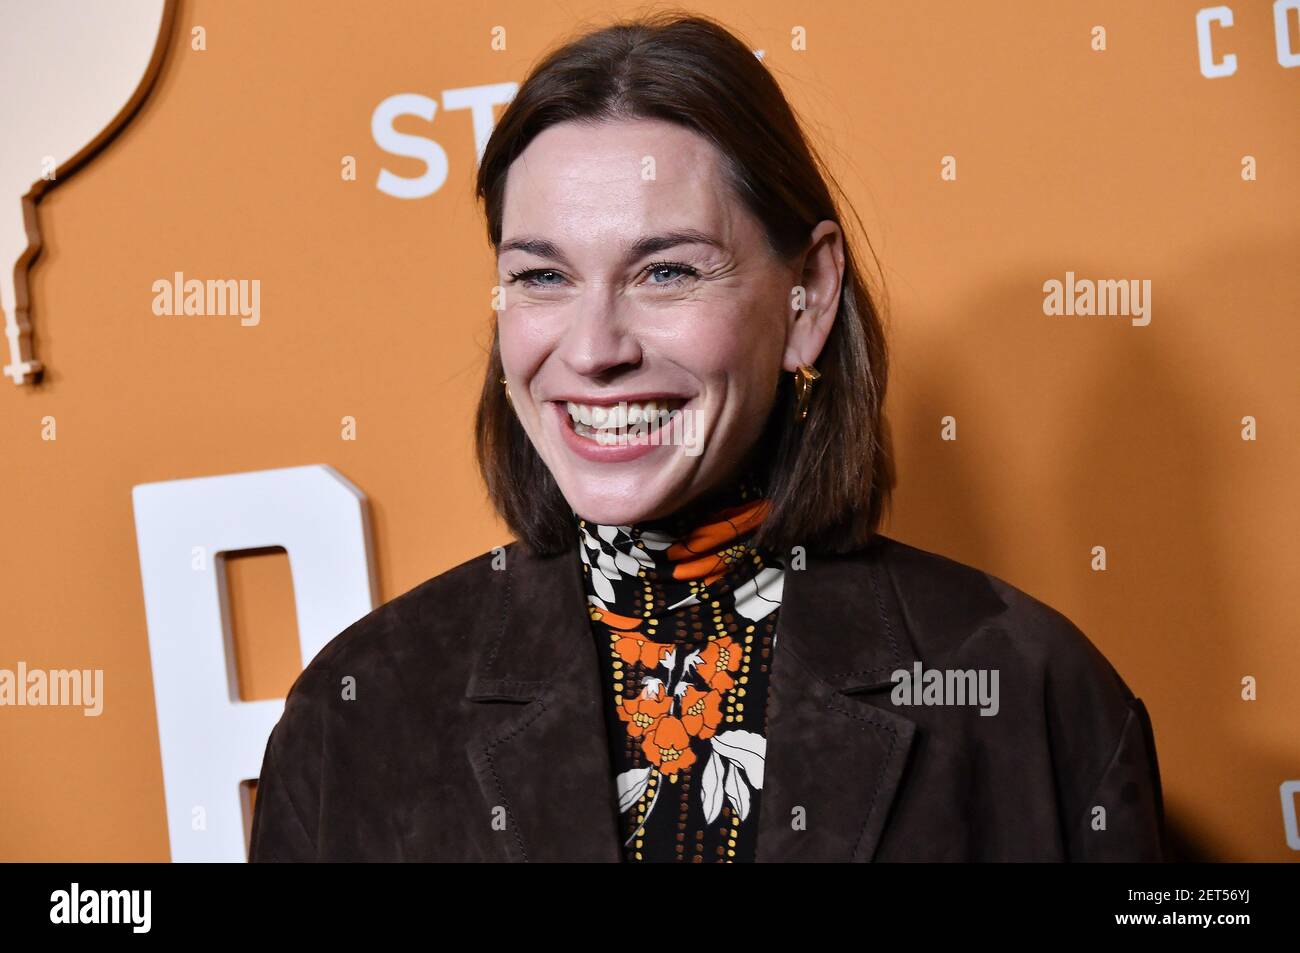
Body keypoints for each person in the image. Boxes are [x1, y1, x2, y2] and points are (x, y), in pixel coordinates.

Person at [248, 12, 1165, 862]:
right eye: (542, 277)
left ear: (808, 295)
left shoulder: (1030, 693)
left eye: (668, 270)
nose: (595, 349)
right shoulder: (358, 713)